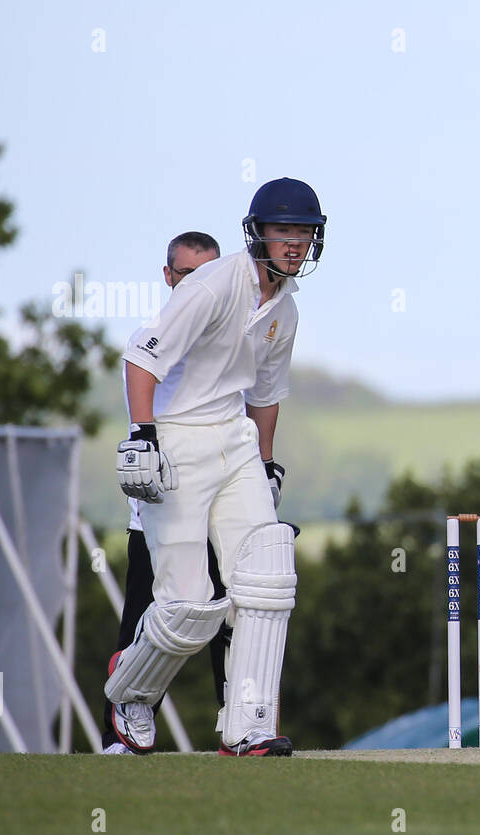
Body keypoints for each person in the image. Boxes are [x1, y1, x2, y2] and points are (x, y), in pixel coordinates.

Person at [107, 178, 323, 757]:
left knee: (266, 580)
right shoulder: (212, 285)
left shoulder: (287, 309)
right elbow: (141, 356)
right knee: (188, 606)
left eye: (304, 232)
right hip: (179, 439)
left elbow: (267, 395)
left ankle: (248, 725)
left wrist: (269, 465)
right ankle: (129, 689)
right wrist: (144, 436)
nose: (295, 243)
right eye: (284, 232)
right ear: (257, 233)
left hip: (237, 439)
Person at [102, 231, 230, 755]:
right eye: (187, 275)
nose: (199, 286)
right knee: (145, 621)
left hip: (216, 505)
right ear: (167, 277)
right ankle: (123, 738)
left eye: (209, 275)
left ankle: (242, 728)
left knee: (232, 611)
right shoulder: (155, 336)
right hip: (160, 509)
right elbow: (143, 397)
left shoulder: (228, 339)